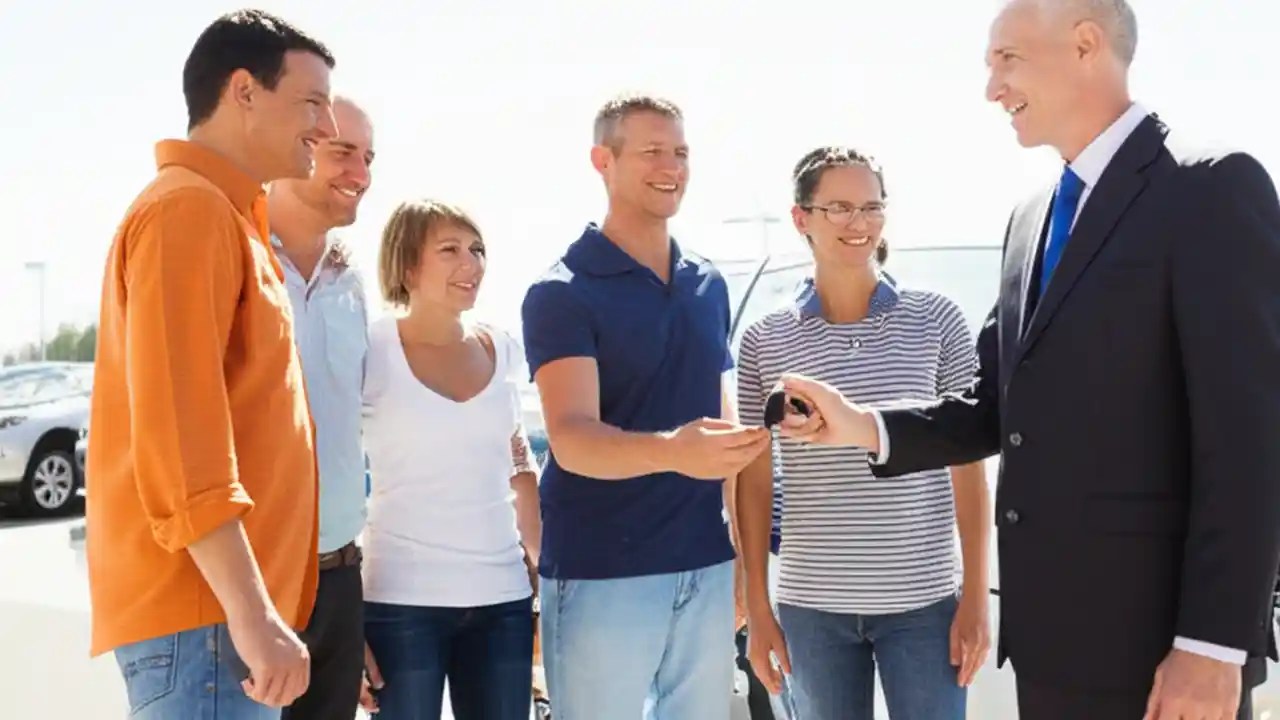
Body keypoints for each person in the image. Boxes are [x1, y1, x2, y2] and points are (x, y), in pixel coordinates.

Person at [775, 1, 1280, 718]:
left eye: (1005, 59)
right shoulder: (1029, 217)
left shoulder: (1210, 188)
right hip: (1050, 650)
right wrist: (860, 426)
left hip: (1170, 659)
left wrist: (1214, 645)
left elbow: (1251, 441)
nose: (991, 87)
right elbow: (993, 408)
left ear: (1084, 45)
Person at [85, 9, 337, 720]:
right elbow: (182, 439)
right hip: (210, 623)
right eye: (311, 101)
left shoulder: (223, 216)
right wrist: (252, 618)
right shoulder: (188, 212)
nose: (325, 125)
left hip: (219, 623)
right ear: (243, 91)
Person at [520, 93, 771, 719]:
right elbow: (572, 438)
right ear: (602, 160)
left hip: (705, 567)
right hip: (603, 570)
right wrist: (674, 452)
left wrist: (740, 558)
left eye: (681, 152)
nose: (673, 166)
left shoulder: (707, 284)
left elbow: (726, 433)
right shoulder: (560, 292)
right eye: (653, 151)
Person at [738, 147, 991, 720]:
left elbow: (967, 461)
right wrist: (758, 607)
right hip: (810, 609)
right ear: (801, 217)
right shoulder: (764, 340)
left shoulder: (938, 319)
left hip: (925, 604)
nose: (861, 223)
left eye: (872, 207)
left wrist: (975, 595)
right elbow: (750, 482)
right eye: (841, 208)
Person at [358, 199, 542, 720]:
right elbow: (328, 466)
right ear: (408, 265)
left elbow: (519, 459)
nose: (473, 264)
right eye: (451, 250)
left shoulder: (501, 347)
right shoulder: (370, 349)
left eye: (478, 249)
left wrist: (543, 570)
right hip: (400, 602)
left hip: (501, 601)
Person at [267, 95, 375, 720]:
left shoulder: (354, 283)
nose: (359, 174)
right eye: (342, 153)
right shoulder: (239, 257)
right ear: (296, 145)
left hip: (339, 582)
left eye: (367, 158)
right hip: (253, 585)